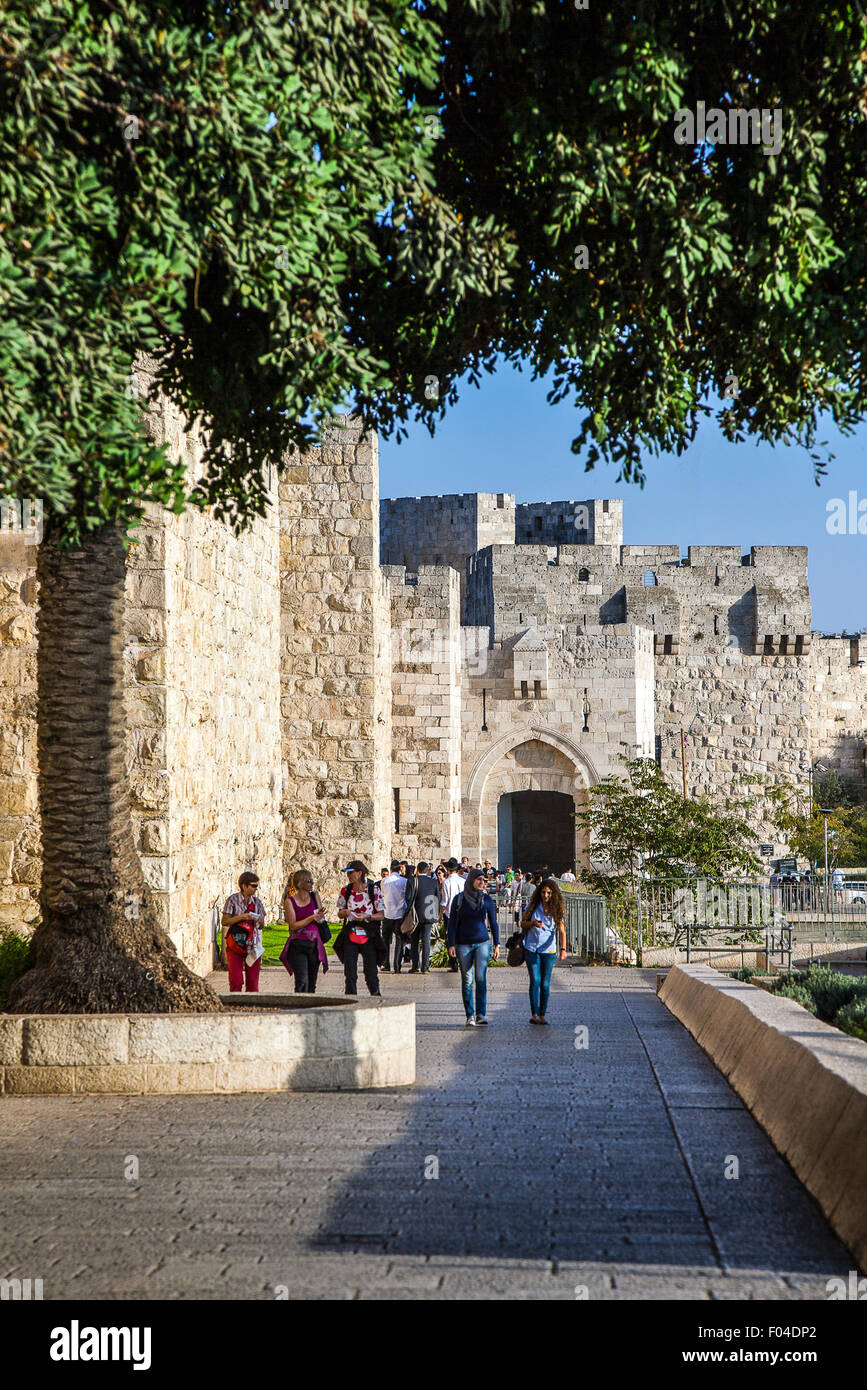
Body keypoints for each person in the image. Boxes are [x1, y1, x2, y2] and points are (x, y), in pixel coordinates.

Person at [447, 868, 500, 1025]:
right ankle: (469, 1015)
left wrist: (497, 944)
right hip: (463, 944)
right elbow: (451, 924)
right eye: (478, 879)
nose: (482, 882)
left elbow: (494, 923)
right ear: (471, 880)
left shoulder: (487, 900)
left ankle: (481, 1014)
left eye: (483, 880)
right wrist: (451, 944)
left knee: (480, 978)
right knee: (467, 979)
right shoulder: (459, 899)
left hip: (482, 943)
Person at [335, 861, 385, 997]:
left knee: (370, 971)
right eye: (347, 873)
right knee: (350, 968)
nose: (348, 876)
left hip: (368, 932)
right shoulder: (346, 891)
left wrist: (368, 916)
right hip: (351, 931)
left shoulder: (373, 890)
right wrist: (344, 913)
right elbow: (340, 912)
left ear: (359, 873)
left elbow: (381, 914)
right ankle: (350, 997)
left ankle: (375, 996)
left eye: (351, 872)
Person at [521, 878, 567, 1025]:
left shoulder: (557, 909)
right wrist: (533, 923)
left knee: (545, 984)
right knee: (535, 980)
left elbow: (561, 930)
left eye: (548, 893)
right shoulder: (533, 906)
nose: (545, 895)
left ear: (553, 894)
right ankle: (534, 1014)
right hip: (532, 947)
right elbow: (522, 922)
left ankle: (542, 1014)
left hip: (549, 950)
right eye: (543, 892)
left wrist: (563, 949)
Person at [282, 868, 328, 993]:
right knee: (302, 981)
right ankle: (299, 1006)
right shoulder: (289, 902)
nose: (312, 883)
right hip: (298, 944)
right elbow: (293, 925)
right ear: (300, 883)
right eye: (309, 881)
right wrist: (311, 918)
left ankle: (309, 1010)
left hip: (314, 944)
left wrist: (320, 917)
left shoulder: (315, 896)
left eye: (312, 881)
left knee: (312, 982)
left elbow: (320, 917)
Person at [222, 871, 266, 994]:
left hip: (253, 946)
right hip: (235, 944)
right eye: (253, 885)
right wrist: (242, 917)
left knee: (252, 982)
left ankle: (251, 1008)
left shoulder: (257, 903)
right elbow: (225, 921)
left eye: (257, 886)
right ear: (244, 886)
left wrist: (260, 920)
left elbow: (262, 925)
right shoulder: (232, 900)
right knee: (236, 980)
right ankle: (235, 1005)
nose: (255, 889)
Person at [411, 862, 440, 974]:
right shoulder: (433, 882)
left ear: (417, 870)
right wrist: (436, 914)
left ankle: (415, 966)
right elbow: (437, 897)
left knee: (414, 941)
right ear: (428, 870)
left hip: (415, 915)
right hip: (429, 915)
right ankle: (425, 967)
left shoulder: (414, 881)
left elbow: (408, 898)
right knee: (426, 941)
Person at [381, 859, 408, 972]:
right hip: (399, 913)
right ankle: (397, 966)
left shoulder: (384, 881)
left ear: (391, 868)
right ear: (400, 869)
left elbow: (383, 894)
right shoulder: (404, 881)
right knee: (399, 941)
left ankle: (386, 963)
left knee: (386, 940)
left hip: (387, 913)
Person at [441, 858, 464, 972]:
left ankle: (454, 964)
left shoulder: (446, 882)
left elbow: (444, 902)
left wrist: (440, 914)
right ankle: (463, 961)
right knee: (461, 938)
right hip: (462, 914)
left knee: (450, 940)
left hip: (450, 914)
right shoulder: (463, 881)